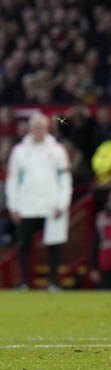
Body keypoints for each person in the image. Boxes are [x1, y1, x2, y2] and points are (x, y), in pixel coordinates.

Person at [6, 112, 72, 290]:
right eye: (35, 127)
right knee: (24, 245)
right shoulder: (19, 151)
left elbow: (65, 179)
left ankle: (54, 282)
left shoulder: (57, 150)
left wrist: (62, 203)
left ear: (47, 128)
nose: (38, 130)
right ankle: (24, 282)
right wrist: (13, 206)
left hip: (51, 205)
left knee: (53, 245)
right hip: (26, 205)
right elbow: (12, 180)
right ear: (29, 128)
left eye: (41, 127)